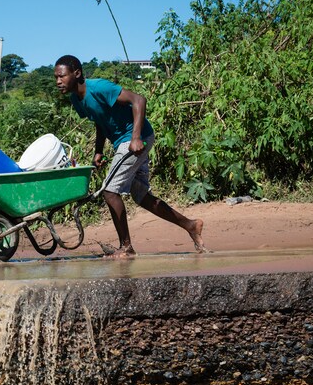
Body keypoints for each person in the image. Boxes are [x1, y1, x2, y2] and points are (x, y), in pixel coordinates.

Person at [54, 55, 206, 258]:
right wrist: (98, 150)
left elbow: (139, 100)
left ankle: (126, 247)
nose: (58, 81)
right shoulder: (76, 99)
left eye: (62, 76)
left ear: (77, 73)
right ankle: (191, 225)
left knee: (109, 191)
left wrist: (135, 138)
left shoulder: (99, 87)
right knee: (142, 197)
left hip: (136, 138)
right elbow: (100, 120)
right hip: (125, 142)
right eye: (56, 77)